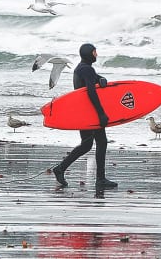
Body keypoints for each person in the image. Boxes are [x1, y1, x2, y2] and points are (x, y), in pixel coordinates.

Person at [50, 43, 117, 190]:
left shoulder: (81, 68)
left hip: (83, 112)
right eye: (94, 52)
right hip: (90, 112)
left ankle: (60, 168)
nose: (96, 54)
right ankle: (100, 179)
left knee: (87, 144)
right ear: (88, 54)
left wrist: (101, 79)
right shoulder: (87, 69)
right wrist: (101, 113)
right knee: (101, 142)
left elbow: (93, 79)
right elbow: (91, 92)